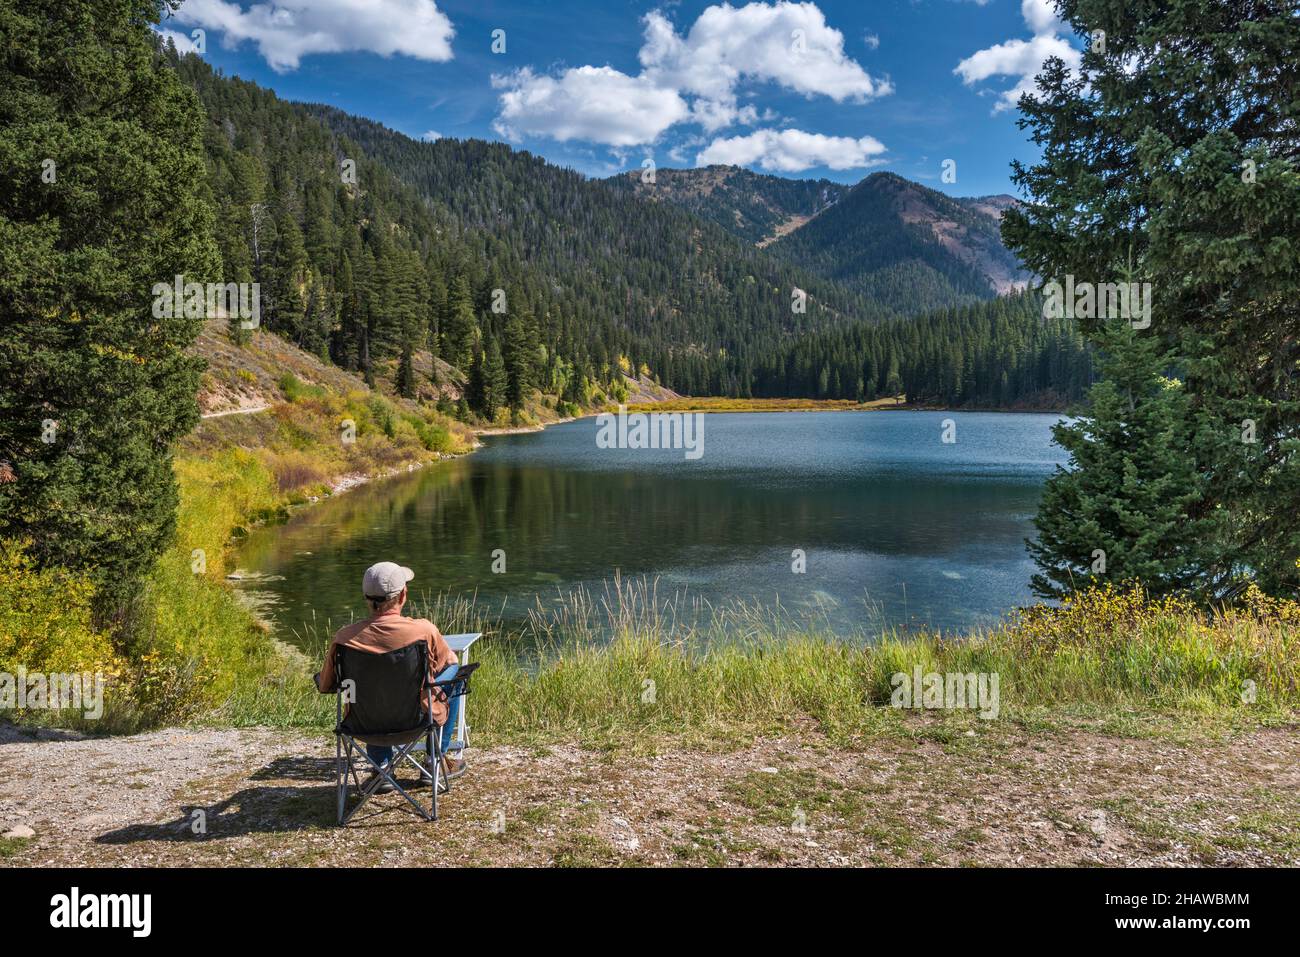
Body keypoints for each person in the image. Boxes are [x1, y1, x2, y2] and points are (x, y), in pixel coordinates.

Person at [315, 561, 464, 789]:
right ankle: (435, 760)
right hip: (417, 721)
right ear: (403, 595)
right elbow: (448, 663)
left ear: (366, 598)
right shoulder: (423, 631)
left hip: (363, 724)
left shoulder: (344, 638)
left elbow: (326, 685)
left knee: (363, 688)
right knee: (454, 671)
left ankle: (381, 768)